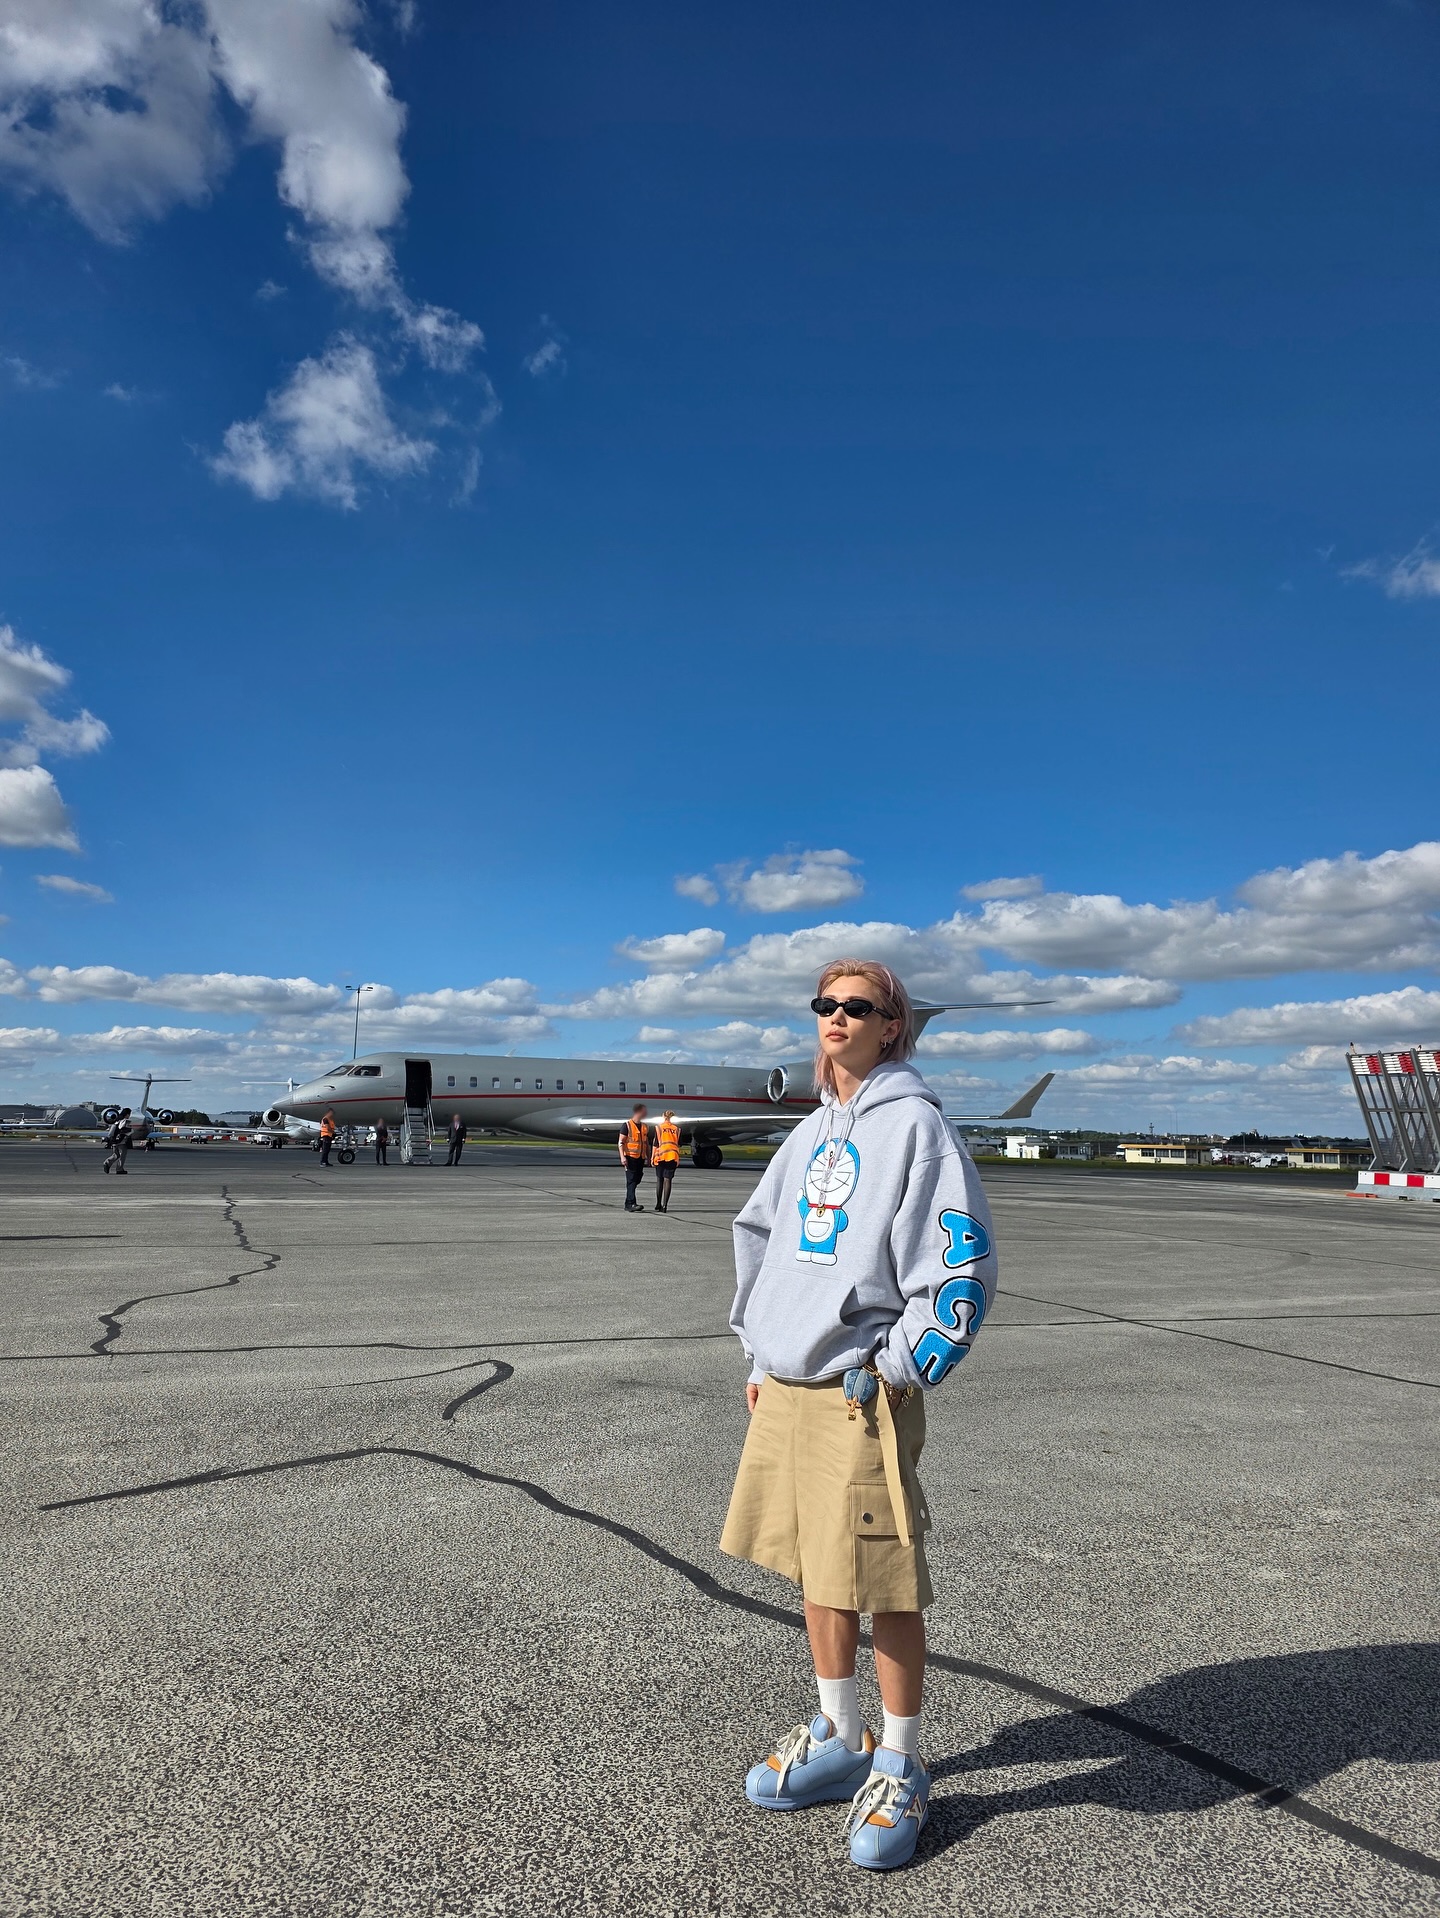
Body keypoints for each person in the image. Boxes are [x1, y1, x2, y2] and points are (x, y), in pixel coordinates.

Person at [720, 960, 998, 1872]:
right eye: (825, 1005)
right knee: (815, 1562)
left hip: (857, 1389)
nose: (836, 1017)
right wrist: (760, 1352)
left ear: (893, 1027)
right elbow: (758, 1236)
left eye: (858, 1006)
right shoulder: (810, 1132)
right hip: (788, 1387)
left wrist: (898, 1367)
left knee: (882, 1578)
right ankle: (840, 1735)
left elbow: (960, 1264)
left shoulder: (916, 1128)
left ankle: (903, 1762)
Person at [619, 1102, 649, 1211]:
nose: (646, 1113)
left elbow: (646, 1144)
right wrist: (622, 1157)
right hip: (630, 1157)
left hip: (640, 1157)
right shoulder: (627, 1125)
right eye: (644, 1111)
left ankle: (628, 1203)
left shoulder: (645, 1127)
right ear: (639, 1111)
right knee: (631, 1180)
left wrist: (648, 1158)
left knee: (637, 1179)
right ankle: (632, 1203)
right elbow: (621, 1142)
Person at [651, 1108, 681, 1213]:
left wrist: (652, 1157)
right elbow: (677, 1144)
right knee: (668, 1180)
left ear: (663, 1117)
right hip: (672, 1156)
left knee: (659, 1179)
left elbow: (655, 1144)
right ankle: (665, 1205)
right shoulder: (676, 1129)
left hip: (660, 1155)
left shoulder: (659, 1128)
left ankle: (658, 1203)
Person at [102, 1108, 133, 1175]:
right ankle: (119, 1169)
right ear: (127, 1114)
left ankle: (107, 1163)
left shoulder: (117, 1120)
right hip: (121, 1141)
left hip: (114, 1141)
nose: (129, 1115)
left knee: (116, 1155)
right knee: (122, 1155)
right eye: (129, 1114)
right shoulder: (125, 1121)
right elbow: (122, 1129)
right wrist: (130, 1131)